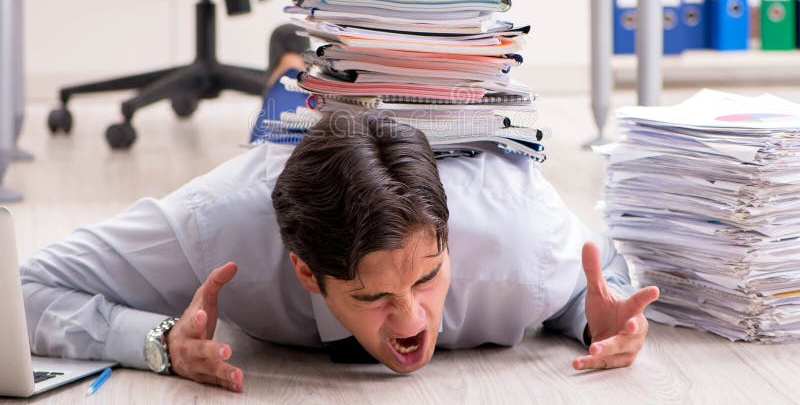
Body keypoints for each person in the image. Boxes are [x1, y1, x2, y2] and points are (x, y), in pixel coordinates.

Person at [20, 32, 659, 394]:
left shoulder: (524, 238)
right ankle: (291, 63)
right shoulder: (217, 225)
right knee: (282, 112)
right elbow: (21, 291)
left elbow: (599, 280)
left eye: (427, 277)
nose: (410, 318)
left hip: (441, 141)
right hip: (287, 145)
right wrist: (155, 342)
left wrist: (590, 317)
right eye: (372, 294)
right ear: (305, 273)